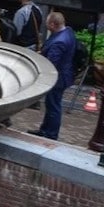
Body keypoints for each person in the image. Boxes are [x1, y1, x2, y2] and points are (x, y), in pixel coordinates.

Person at [29, 12, 76, 140]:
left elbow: (50, 63)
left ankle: (50, 133)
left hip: (58, 78)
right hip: (64, 74)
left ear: (52, 24)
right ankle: (45, 130)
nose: (46, 26)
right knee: (52, 104)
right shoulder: (68, 32)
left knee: (53, 105)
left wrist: (40, 57)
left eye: (47, 24)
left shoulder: (59, 42)